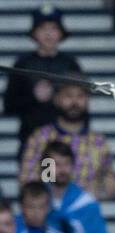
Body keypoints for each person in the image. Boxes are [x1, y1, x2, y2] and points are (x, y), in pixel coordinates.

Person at [3, 7, 82, 155]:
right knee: (40, 177)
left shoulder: (70, 64)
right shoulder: (23, 64)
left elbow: (82, 104)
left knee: (55, 176)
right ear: (34, 33)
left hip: (64, 144)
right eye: (42, 28)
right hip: (32, 141)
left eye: (53, 28)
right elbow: (9, 105)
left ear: (60, 33)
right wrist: (34, 97)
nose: (48, 33)